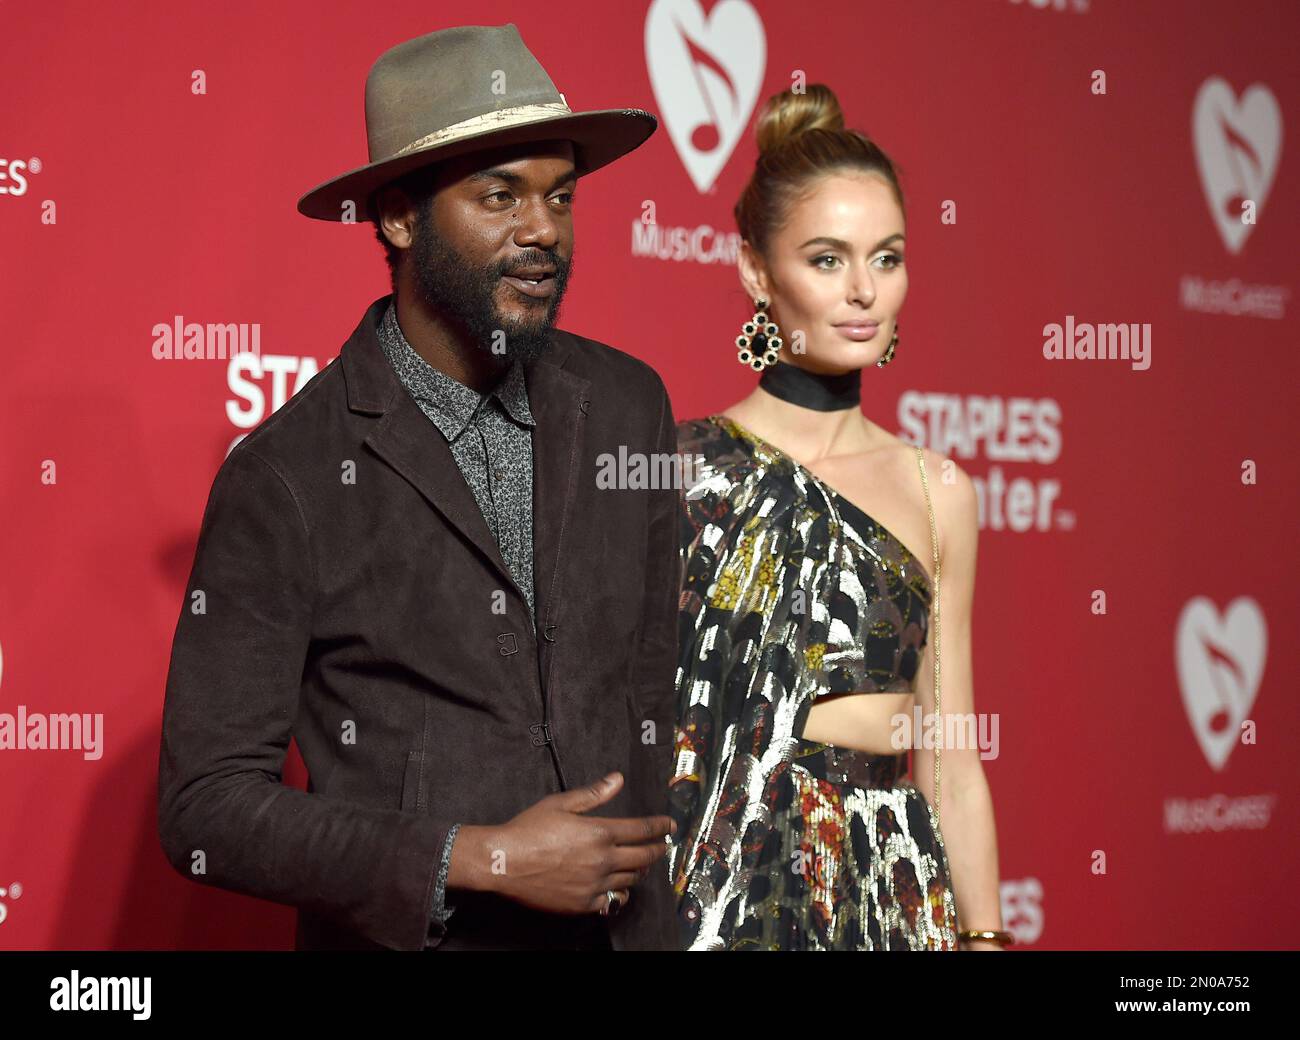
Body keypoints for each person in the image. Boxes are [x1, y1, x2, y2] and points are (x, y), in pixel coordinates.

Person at [157, 24, 682, 951]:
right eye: (499, 196)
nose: (542, 230)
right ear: (397, 217)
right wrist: (479, 858)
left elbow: (646, 693)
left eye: (560, 196)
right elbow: (204, 807)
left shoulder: (629, 406)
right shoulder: (288, 475)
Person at [667, 84, 1009, 951]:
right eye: (826, 259)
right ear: (755, 269)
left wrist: (985, 938)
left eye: (886, 258)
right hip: (721, 879)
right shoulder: (681, 470)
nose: (863, 292)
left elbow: (955, 758)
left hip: (890, 887)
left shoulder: (939, 490)